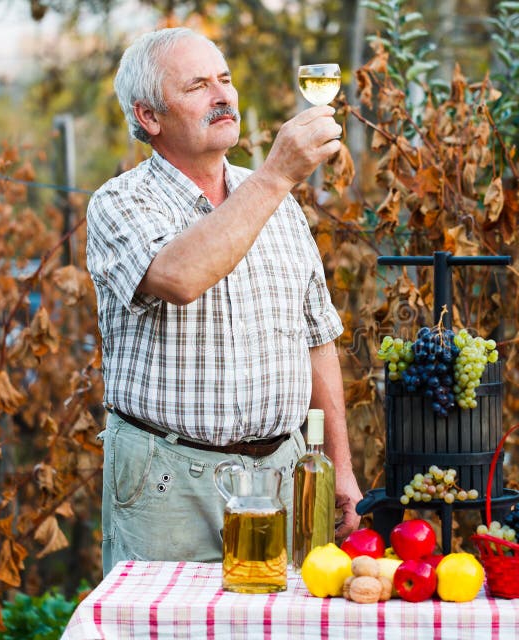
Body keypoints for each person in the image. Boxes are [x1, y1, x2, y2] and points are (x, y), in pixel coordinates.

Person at [86, 27, 362, 576]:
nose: (223, 96)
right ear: (149, 117)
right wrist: (278, 172)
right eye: (197, 86)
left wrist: (339, 468)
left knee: (277, 638)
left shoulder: (279, 206)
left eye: (226, 80)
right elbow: (181, 276)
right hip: (168, 482)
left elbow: (317, 341)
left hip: (283, 479)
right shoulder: (120, 202)